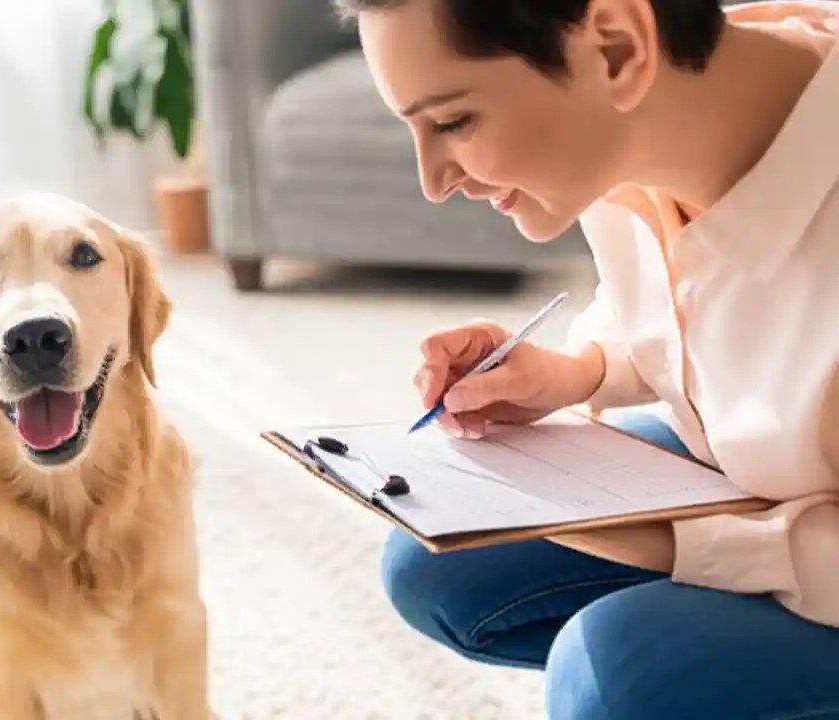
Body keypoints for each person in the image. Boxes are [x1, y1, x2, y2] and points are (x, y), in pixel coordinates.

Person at [334, 0, 839, 716]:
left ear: (615, 48)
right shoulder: (656, 118)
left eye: (452, 122)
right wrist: (578, 371)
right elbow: (703, 307)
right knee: (440, 562)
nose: (434, 181)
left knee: (618, 674)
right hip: (773, 470)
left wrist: (670, 539)